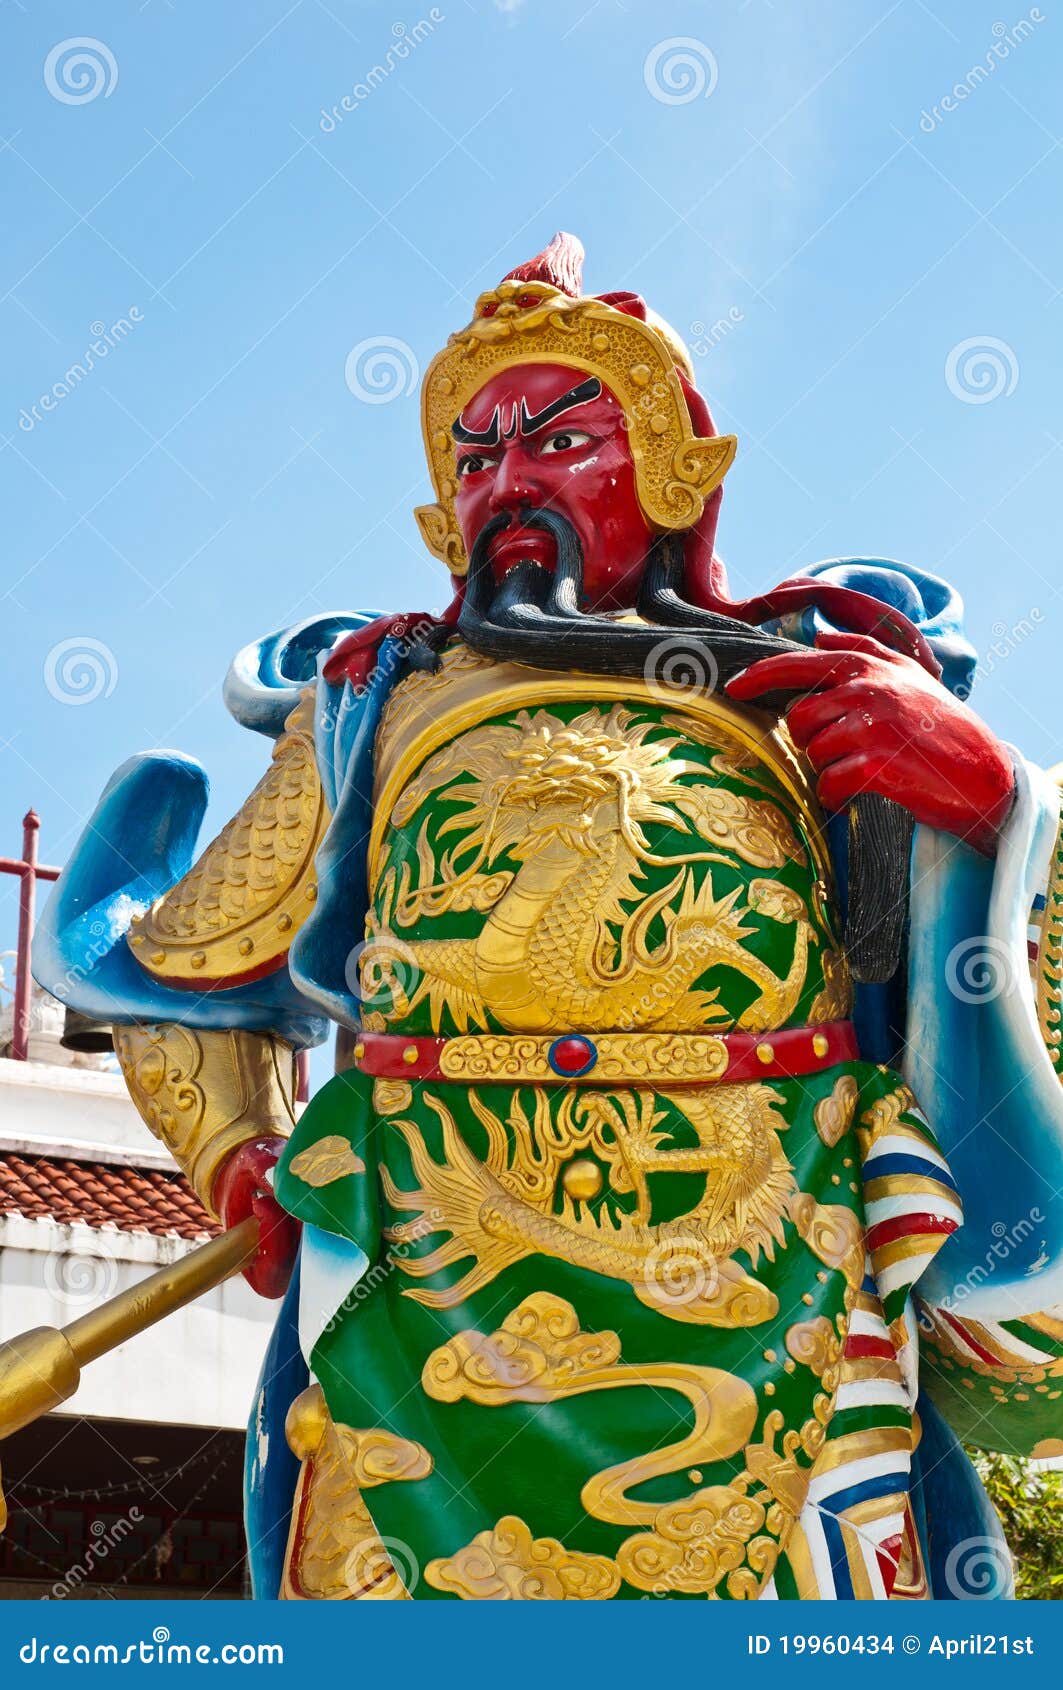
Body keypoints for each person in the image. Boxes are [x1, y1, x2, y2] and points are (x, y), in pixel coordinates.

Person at [36, 233, 1063, 1601]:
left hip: (783, 1290)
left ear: (674, 470)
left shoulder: (814, 692)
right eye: (475, 460)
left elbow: (997, 976)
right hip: (424, 1316)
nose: (510, 483)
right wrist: (233, 1148)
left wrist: (998, 808)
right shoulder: (382, 707)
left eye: (561, 442)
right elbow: (175, 981)